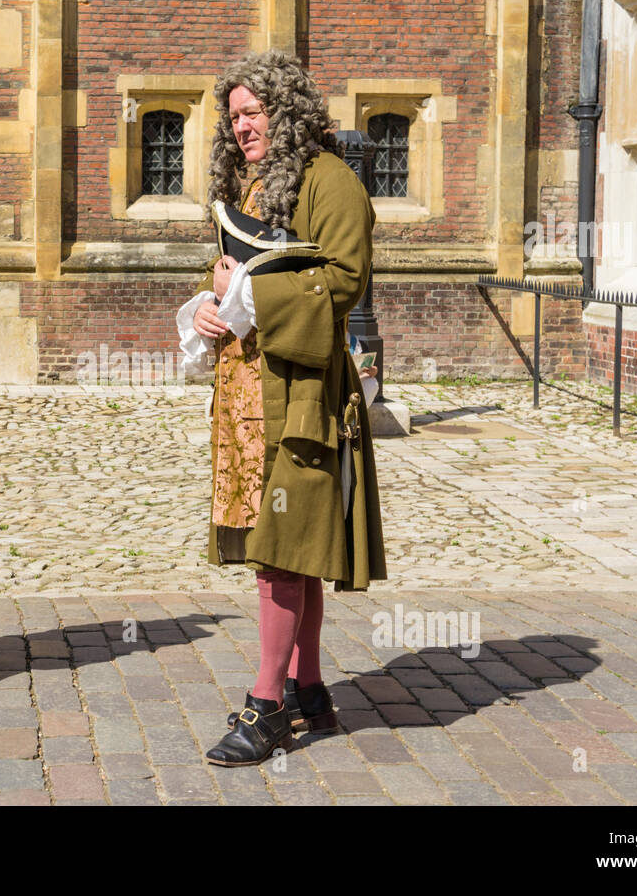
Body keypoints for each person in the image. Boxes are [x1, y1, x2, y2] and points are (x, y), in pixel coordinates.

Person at [177, 51, 388, 766]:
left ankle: (266, 707)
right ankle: (309, 689)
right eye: (233, 115)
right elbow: (237, 273)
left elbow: (345, 279)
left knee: (282, 549)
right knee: (285, 553)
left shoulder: (331, 181)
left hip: (301, 390)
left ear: (288, 108)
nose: (241, 126)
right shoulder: (253, 183)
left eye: (253, 111)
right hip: (245, 388)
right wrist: (211, 302)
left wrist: (249, 298)